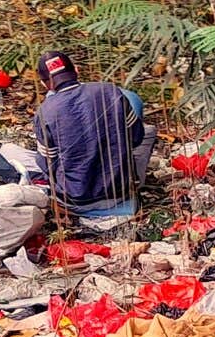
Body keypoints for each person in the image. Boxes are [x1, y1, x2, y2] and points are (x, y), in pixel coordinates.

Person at [32, 50, 156, 225]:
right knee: (149, 132)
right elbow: (136, 137)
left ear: (45, 85)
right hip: (119, 193)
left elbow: (47, 165)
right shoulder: (110, 91)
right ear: (76, 70)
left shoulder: (44, 111)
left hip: (74, 201)